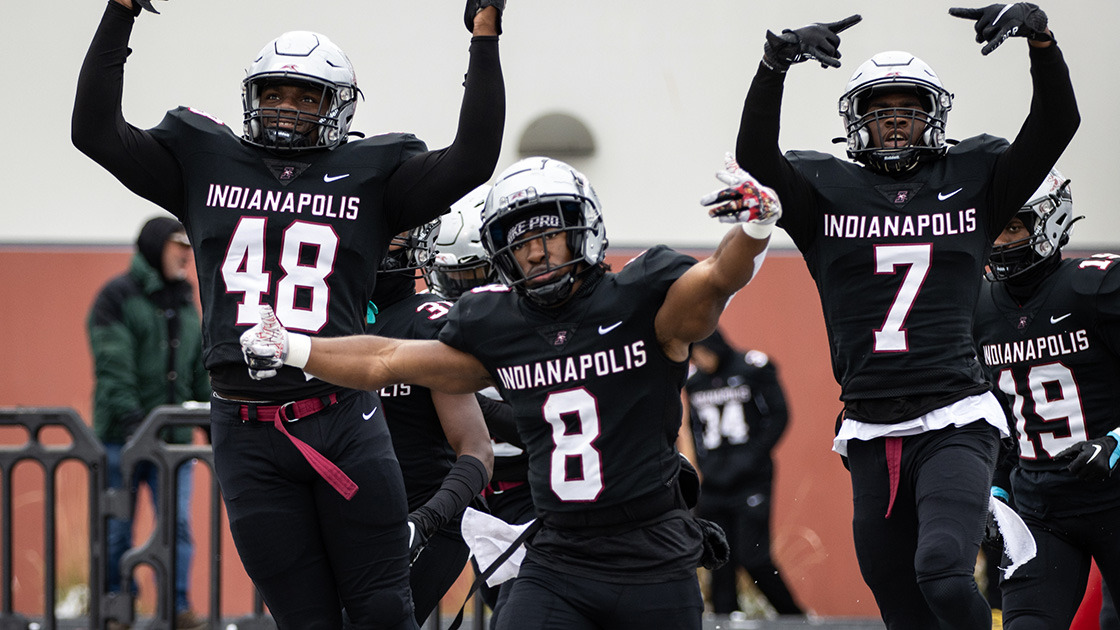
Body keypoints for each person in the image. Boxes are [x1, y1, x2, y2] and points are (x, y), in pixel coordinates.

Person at [72, 0, 507, 626]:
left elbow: (473, 157)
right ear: (251, 96)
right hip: (245, 428)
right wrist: (119, 13)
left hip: (342, 416)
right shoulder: (204, 158)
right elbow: (94, 130)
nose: (287, 107)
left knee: (384, 613)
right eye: (275, 92)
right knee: (303, 621)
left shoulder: (370, 174)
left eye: (307, 97)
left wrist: (484, 39)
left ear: (337, 107)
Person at [240, 155, 782, 630]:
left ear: (582, 229)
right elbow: (389, 359)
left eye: (548, 235)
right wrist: (293, 348)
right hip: (560, 553)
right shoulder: (500, 325)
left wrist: (756, 228)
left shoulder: (638, 301)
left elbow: (714, 279)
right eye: (521, 243)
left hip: (651, 551)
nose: (538, 254)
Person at [731, 3, 1078, 628]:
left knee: (943, 572)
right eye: (879, 108)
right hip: (869, 424)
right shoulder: (821, 189)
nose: (895, 120)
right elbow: (756, 156)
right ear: (856, 121)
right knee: (903, 608)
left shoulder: (974, 177)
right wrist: (773, 66)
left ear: (934, 116)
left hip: (954, 414)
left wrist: (1042, 43)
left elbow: (1057, 123)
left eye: (910, 107)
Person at [973, 169, 1120, 628]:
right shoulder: (978, 307)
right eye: (992, 228)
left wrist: (1116, 440)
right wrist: (994, 490)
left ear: (1050, 223)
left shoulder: (1096, 285)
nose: (999, 242)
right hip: (1041, 508)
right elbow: (994, 415)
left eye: (1013, 227)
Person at [365, 216, 494, 624]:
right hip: (347, 521)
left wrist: (423, 522)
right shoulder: (326, 316)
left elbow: (477, 446)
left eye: (394, 231)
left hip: (427, 519)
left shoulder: (426, 319)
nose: (381, 240)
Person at [87, 216, 210, 630]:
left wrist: (213, 420)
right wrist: (136, 422)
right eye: (179, 245)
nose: (187, 255)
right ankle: (117, 608)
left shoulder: (187, 300)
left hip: (172, 441)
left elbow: (199, 370)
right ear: (157, 246)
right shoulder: (116, 297)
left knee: (177, 526)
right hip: (121, 439)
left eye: (190, 247)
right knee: (117, 527)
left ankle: (176, 607)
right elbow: (112, 367)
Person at [423, 188, 532, 629]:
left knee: (519, 610)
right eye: (452, 279)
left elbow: (533, 422)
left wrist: (444, 389)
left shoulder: (530, 321)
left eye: (473, 276)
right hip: (476, 493)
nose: (463, 293)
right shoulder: (430, 323)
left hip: (534, 489)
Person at [683, 328, 804, 617]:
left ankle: (795, 619)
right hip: (713, 483)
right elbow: (694, 426)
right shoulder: (695, 381)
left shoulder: (751, 367)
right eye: (694, 355)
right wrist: (701, 465)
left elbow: (779, 415)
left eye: (702, 352)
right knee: (718, 560)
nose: (699, 360)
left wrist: (750, 458)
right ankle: (726, 620)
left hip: (750, 481)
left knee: (754, 556)